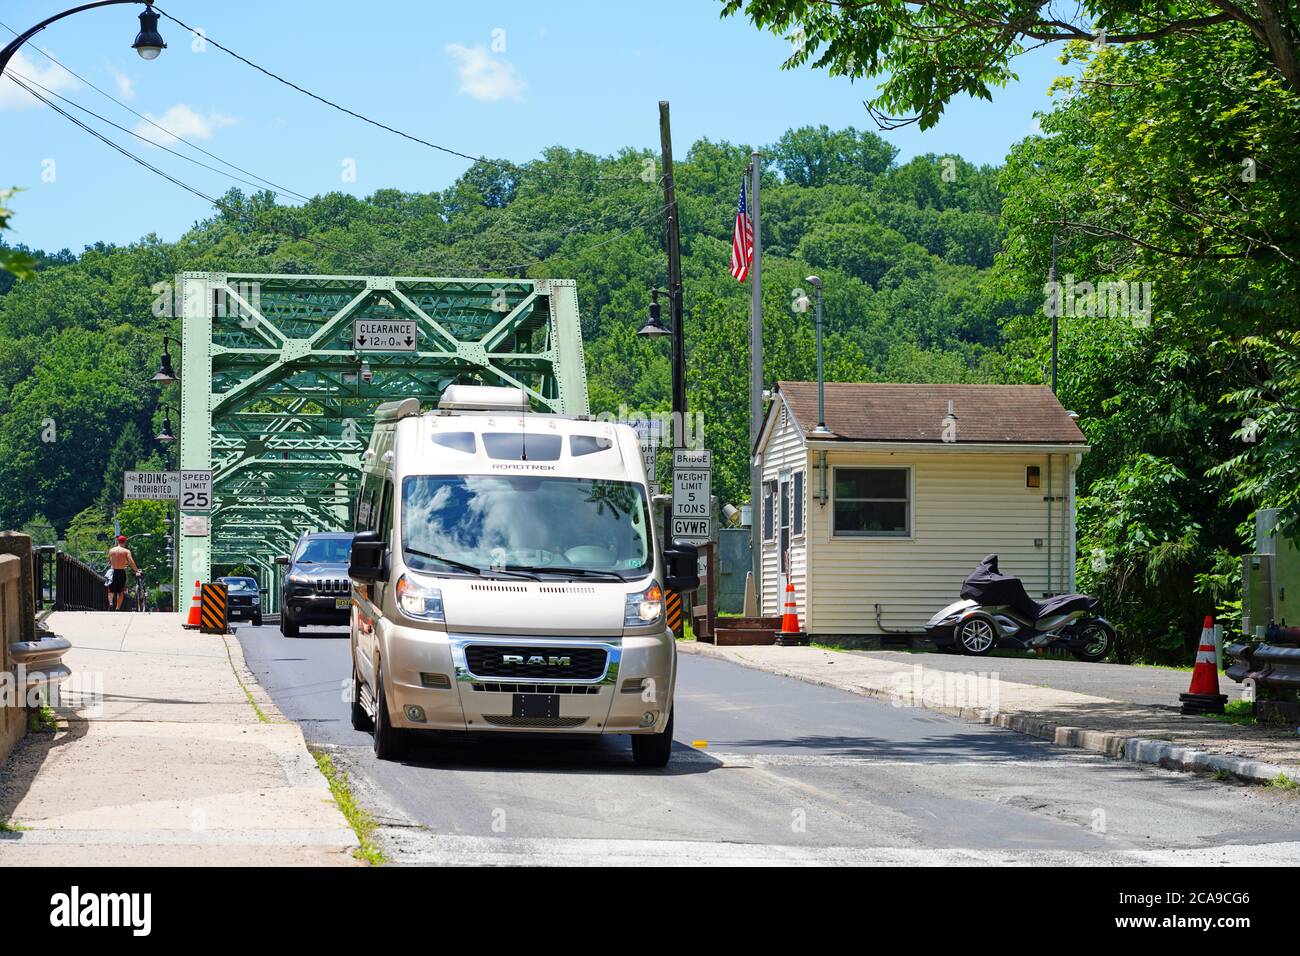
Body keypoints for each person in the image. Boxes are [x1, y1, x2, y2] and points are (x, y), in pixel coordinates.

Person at [106, 535, 140, 611]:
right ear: (125, 542)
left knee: (110, 590)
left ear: (118, 541)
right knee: (120, 591)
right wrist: (136, 570)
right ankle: (117, 608)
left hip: (112, 571)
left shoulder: (111, 550)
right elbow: (131, 562)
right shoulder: (126, 551)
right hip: (121, 572)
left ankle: (111, 603)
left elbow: (109, 561)